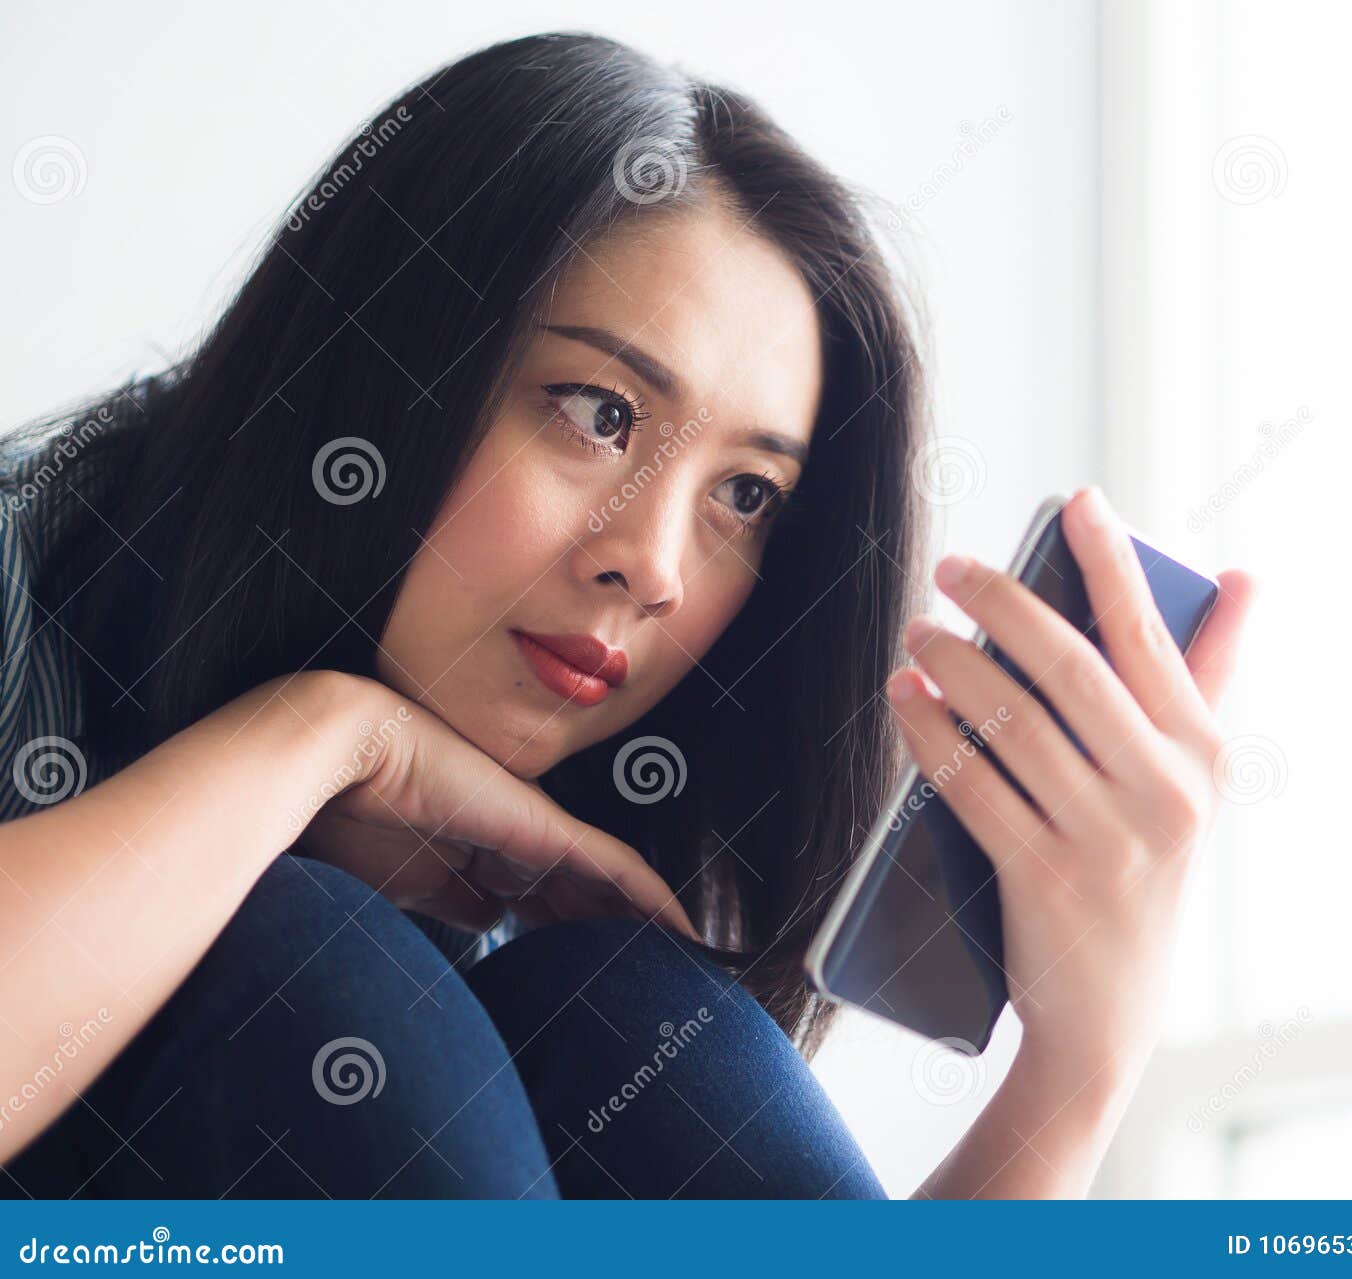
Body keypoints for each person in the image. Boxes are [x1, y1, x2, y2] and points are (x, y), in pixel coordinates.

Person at [0, 31, 1254, 1199]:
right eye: (599, 414)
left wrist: (1077, 1068)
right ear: (383, 362)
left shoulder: (569, 918)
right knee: (318, 958)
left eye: (746, 495)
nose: (654, 566)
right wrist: (317, 739)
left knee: (631, 1016)